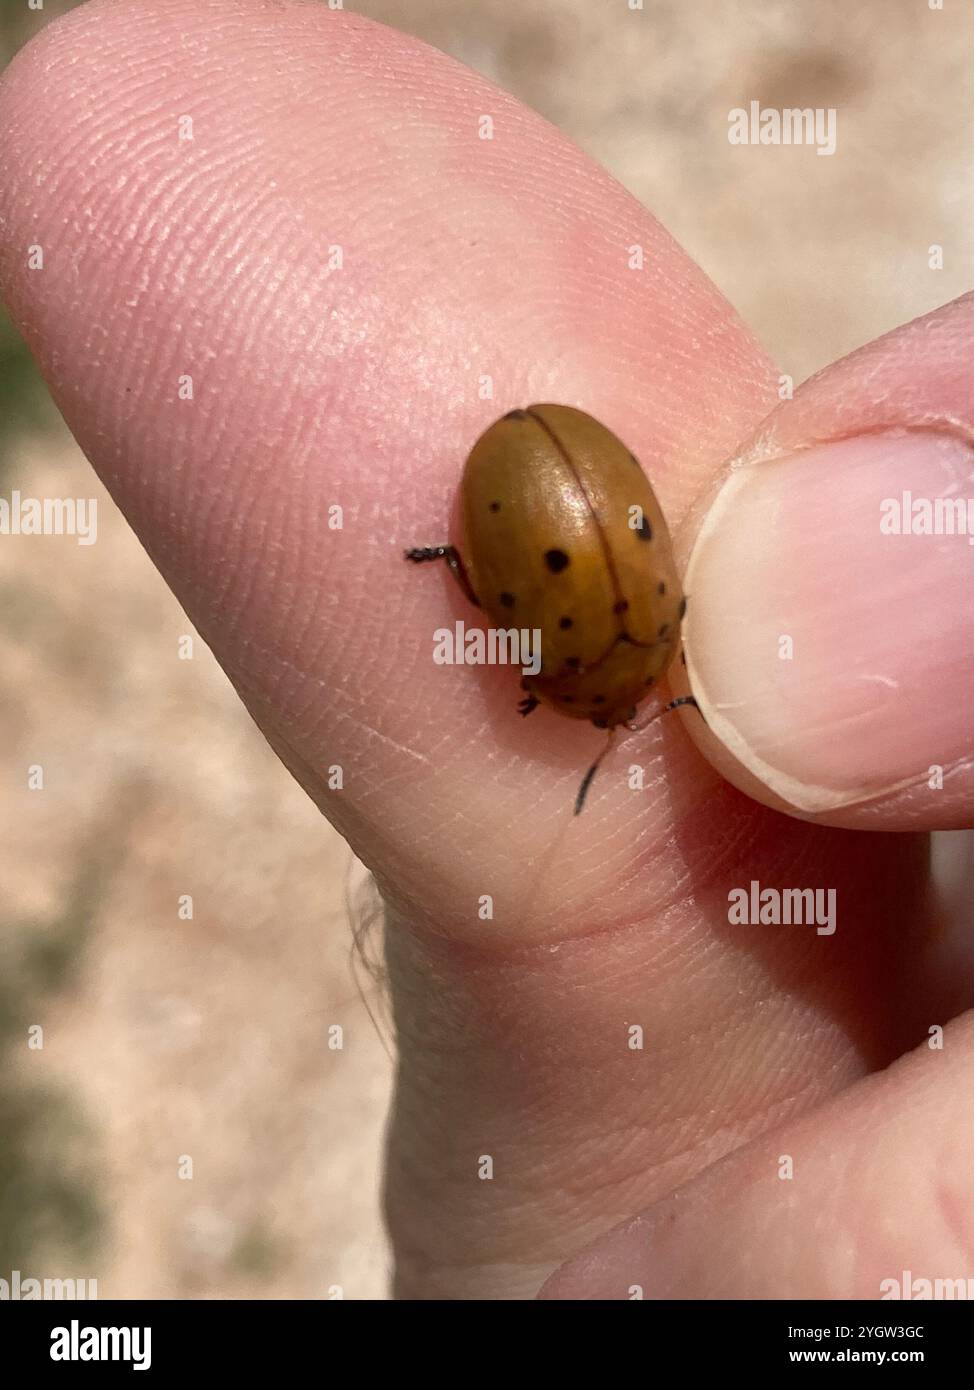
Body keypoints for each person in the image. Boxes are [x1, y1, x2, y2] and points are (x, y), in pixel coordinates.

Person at [2, 0, 972, 1301]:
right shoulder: (612, 649)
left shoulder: (596, 651)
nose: (592, 716)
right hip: (542, 473)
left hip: (546, 476)